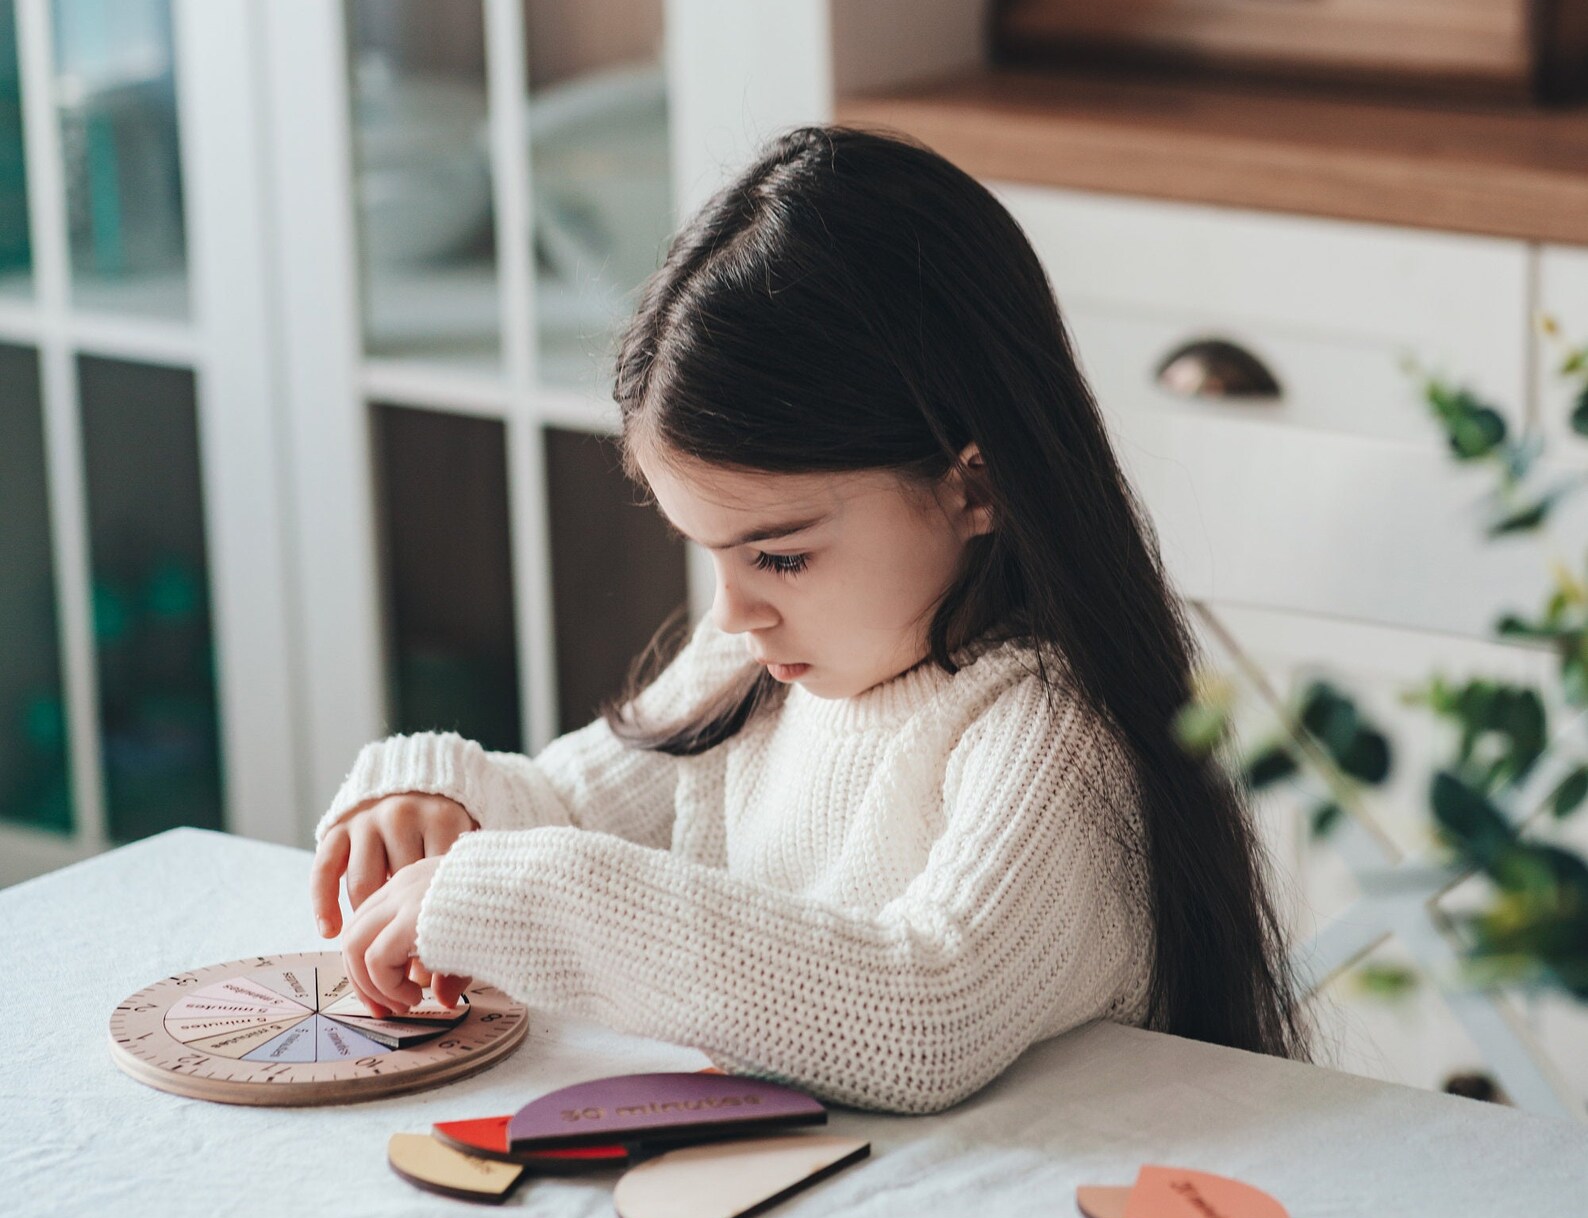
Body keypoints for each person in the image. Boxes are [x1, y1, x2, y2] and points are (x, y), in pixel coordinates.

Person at [309, 125, 1307, 1114]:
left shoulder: (1048, 734)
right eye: (709, 551)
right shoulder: (755, 664)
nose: (733, 610)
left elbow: (925, 1010)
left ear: (974, 486)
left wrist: (528, 894)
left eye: (779, 556)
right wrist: (435, 798)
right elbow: (564, 806)